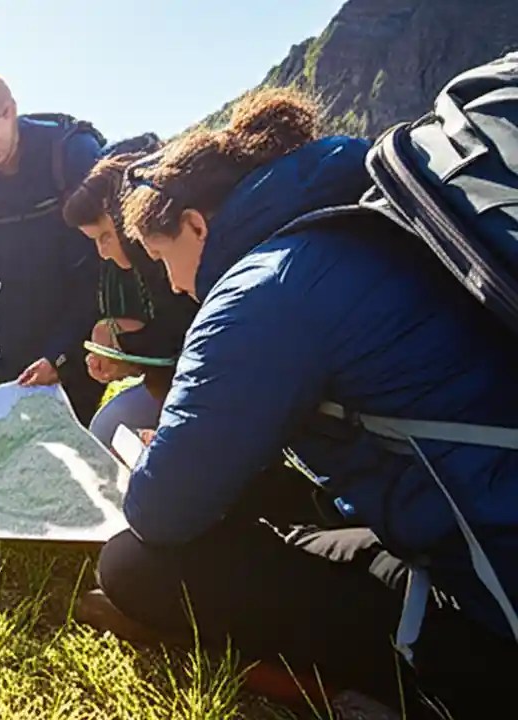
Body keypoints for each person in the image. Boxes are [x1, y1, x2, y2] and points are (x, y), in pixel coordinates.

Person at [86, 88, 518, 718]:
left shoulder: (260, 290)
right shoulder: (371, 206)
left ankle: (414, 684)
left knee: (132, 564)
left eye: (163, 257)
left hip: (491, 604)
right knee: (268, 511)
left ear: (197, 224)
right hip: (471, 509)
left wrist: (162, 460)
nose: (176, 284)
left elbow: (160, 513)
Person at [0, 73, 109, 426]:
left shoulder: (72, 152)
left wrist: (61, 355)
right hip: (13, 320)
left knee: (69, 436)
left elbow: (102, 263)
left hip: (80, 311)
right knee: (6, 438)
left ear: (10, 111)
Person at [60, 144, 198, 456]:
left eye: (105, 236)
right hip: (179, 386)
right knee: (107, 428)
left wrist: (127, 347)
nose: (102, 251)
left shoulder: (172, 253)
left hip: (214, 388)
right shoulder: (130, 270)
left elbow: (182, 337)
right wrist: (123, 354)